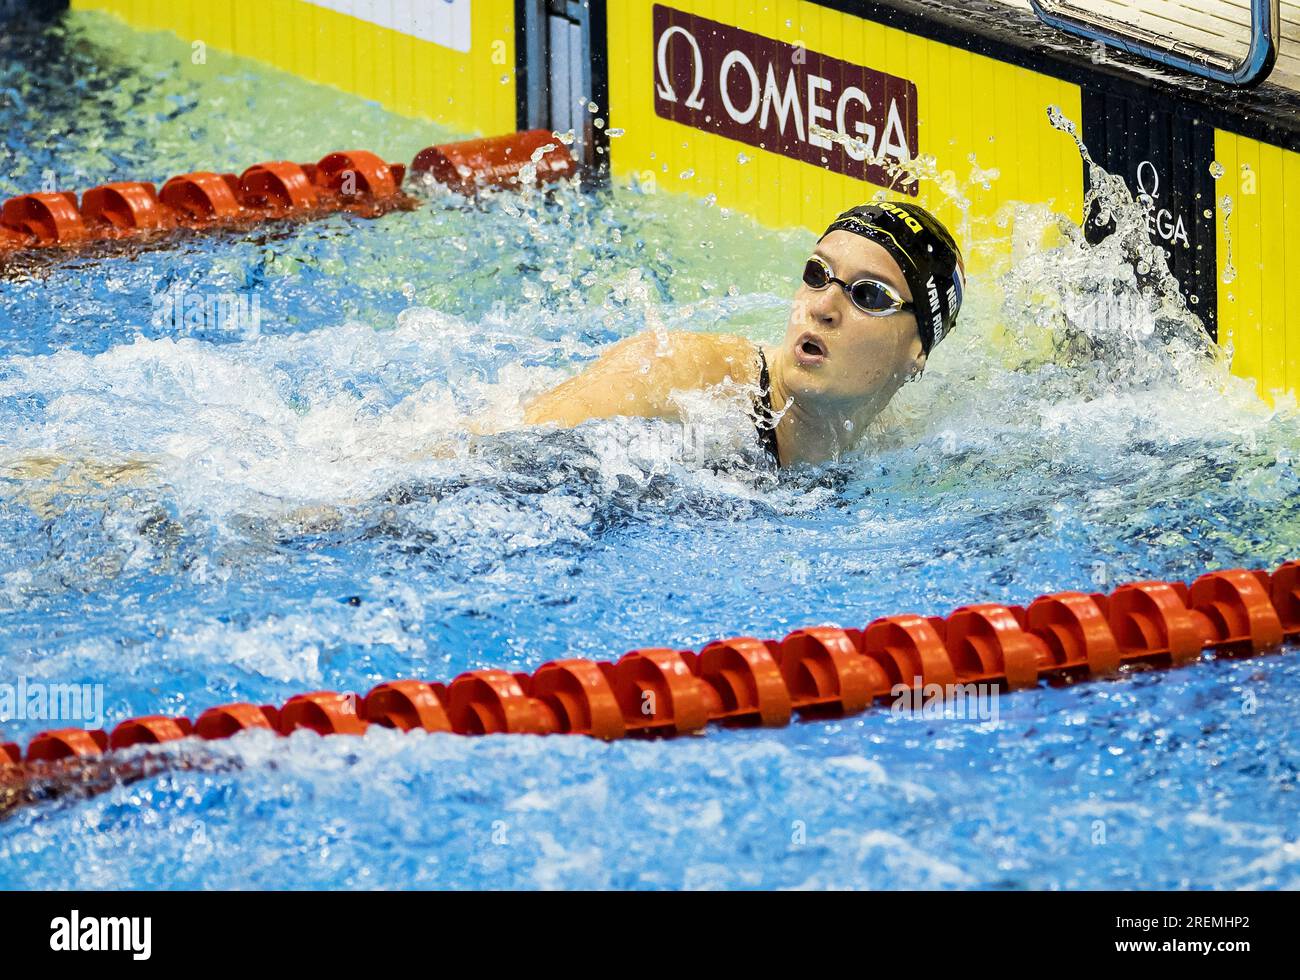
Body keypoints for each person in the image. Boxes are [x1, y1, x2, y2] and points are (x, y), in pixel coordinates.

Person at [522, 201, 965, 467]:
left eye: (868, 296)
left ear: (917, 348)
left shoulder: (901, 440)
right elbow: (494, 450)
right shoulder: (680, 379)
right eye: (817, 274)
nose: (822, 307)